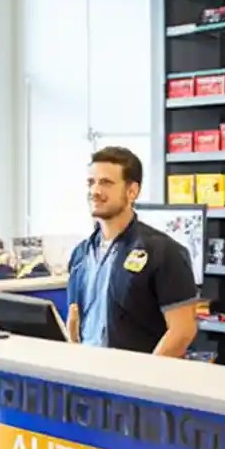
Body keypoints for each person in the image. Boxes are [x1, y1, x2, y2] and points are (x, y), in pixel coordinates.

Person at [64, 146, 198, 356]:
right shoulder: (81, 254)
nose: (95, 191)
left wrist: (143, 377)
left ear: (132, 191)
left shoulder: (163, 252)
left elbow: (182, 330)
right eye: (91, 182)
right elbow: (75, 323)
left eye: (106, 183)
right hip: (88, 376)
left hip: (134, 381)